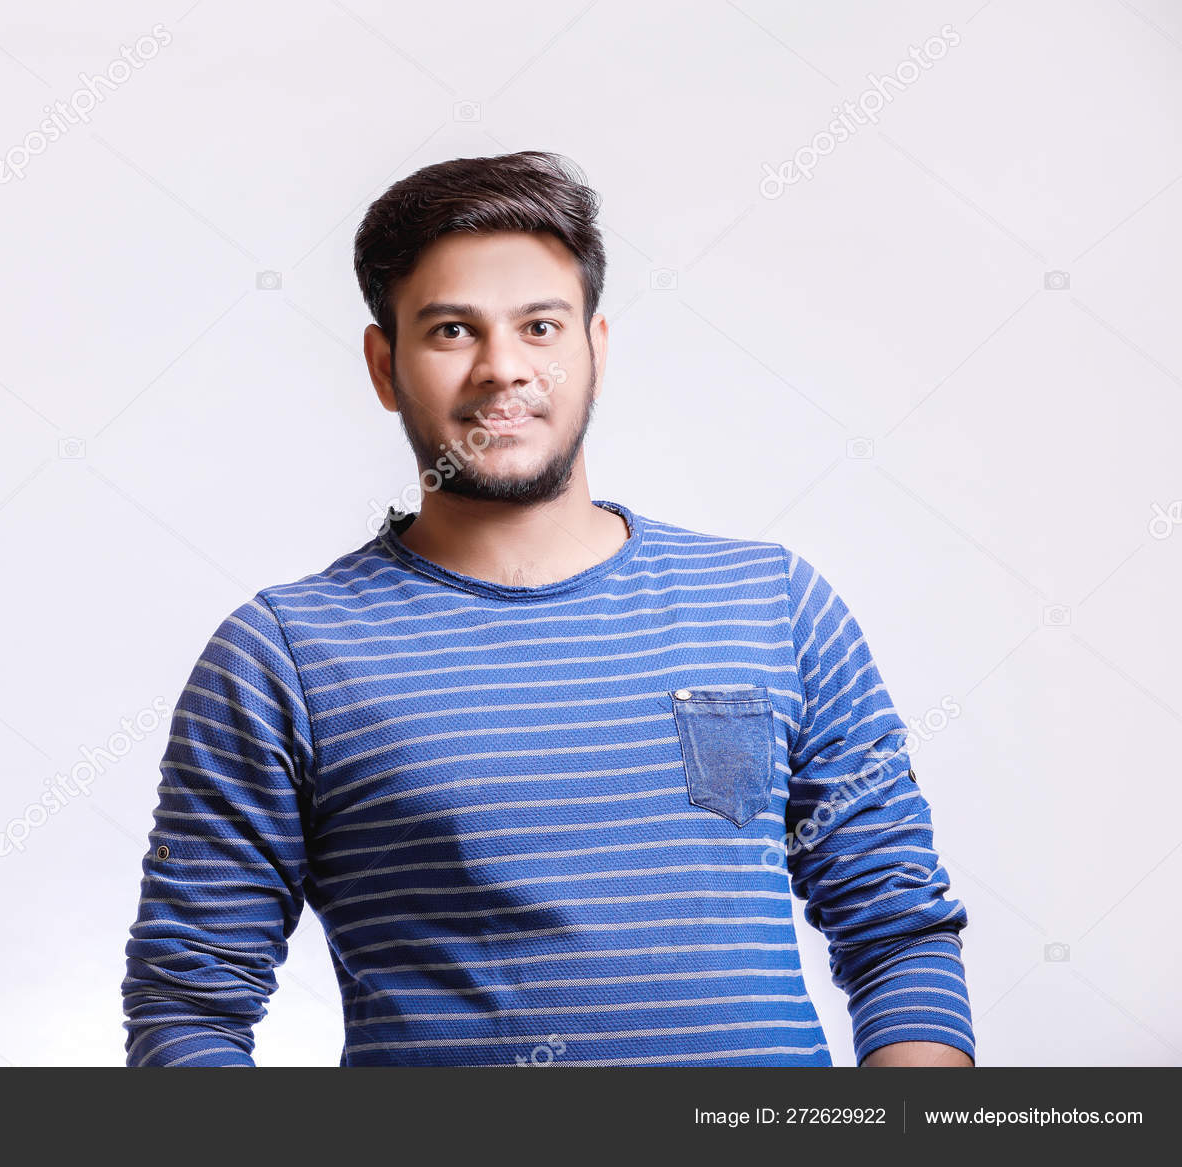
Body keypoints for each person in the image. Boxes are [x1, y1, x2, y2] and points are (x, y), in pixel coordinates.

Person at [121, 151, 974, 1067]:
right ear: (384, 365)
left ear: (594, 350)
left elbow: (899, 929)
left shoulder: (773, 604)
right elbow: (189, 1004)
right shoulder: (284, 655)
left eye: (540, 327)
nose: (502, 369)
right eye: (452, 330)